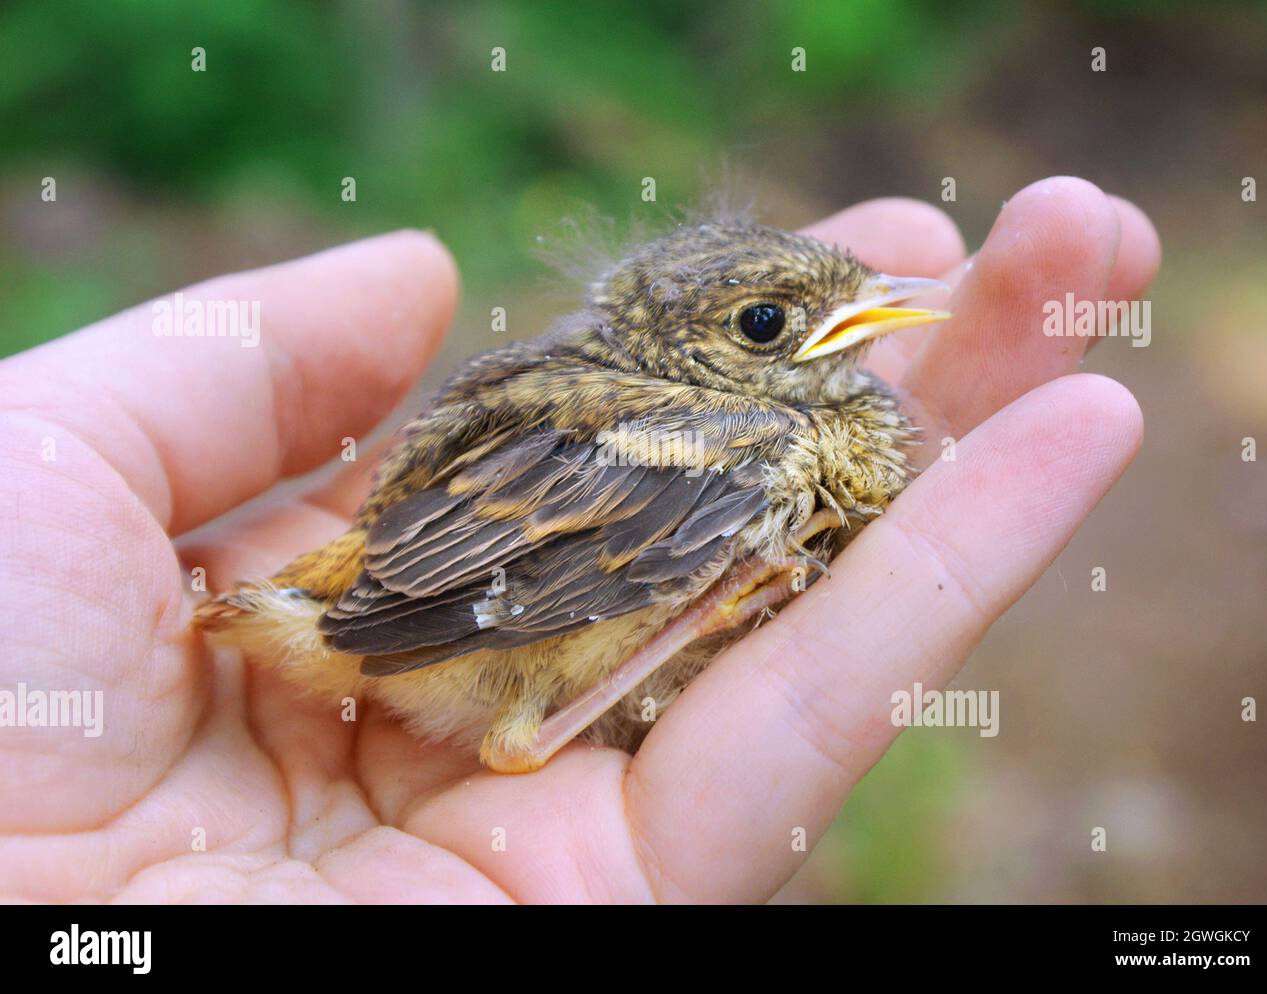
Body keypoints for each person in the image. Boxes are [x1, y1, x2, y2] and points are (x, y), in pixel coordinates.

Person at [0, 178, 1159, 902]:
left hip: (401, 598)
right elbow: (476, 619)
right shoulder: (739, 435)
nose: (867, 318)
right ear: (707, 350)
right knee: (532, 725)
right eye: (771, 326)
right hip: (437, 627)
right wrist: (709, 610)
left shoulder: (713, 410)